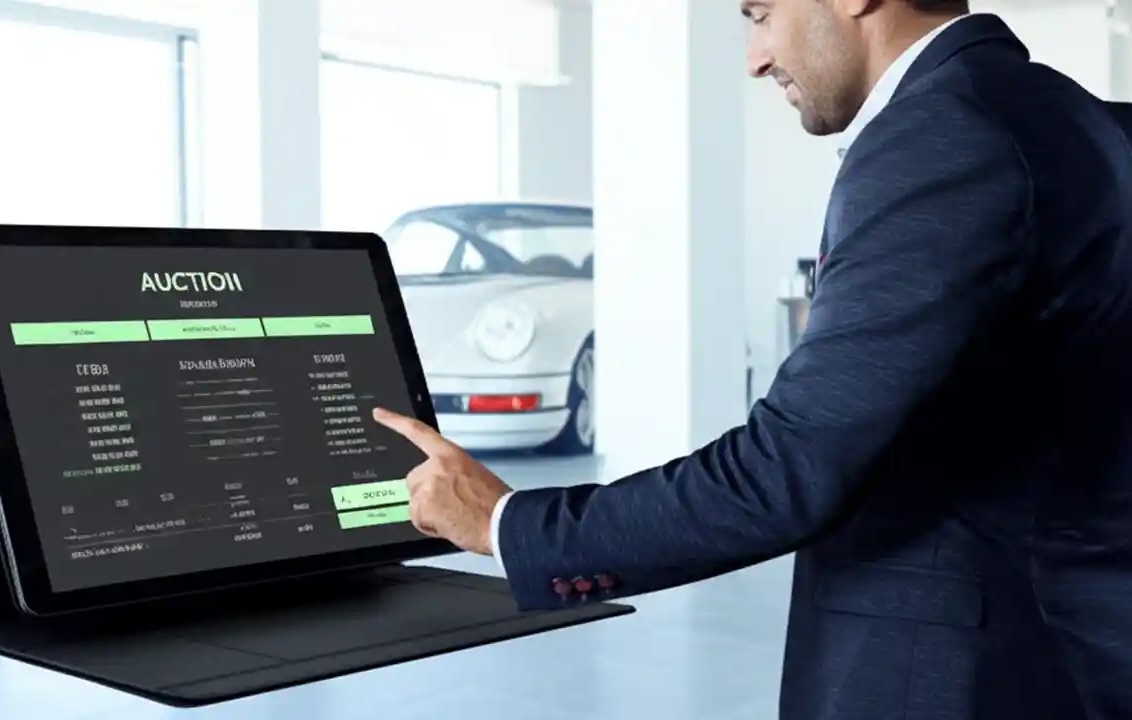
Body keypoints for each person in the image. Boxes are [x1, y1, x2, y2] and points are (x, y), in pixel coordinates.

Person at [373, 1, 1132, 718]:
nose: (753, 58)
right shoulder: (1062, 114)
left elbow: (787, 468)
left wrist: (508, 523)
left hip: (953, 672)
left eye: (760, 13)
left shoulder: (942, 133)